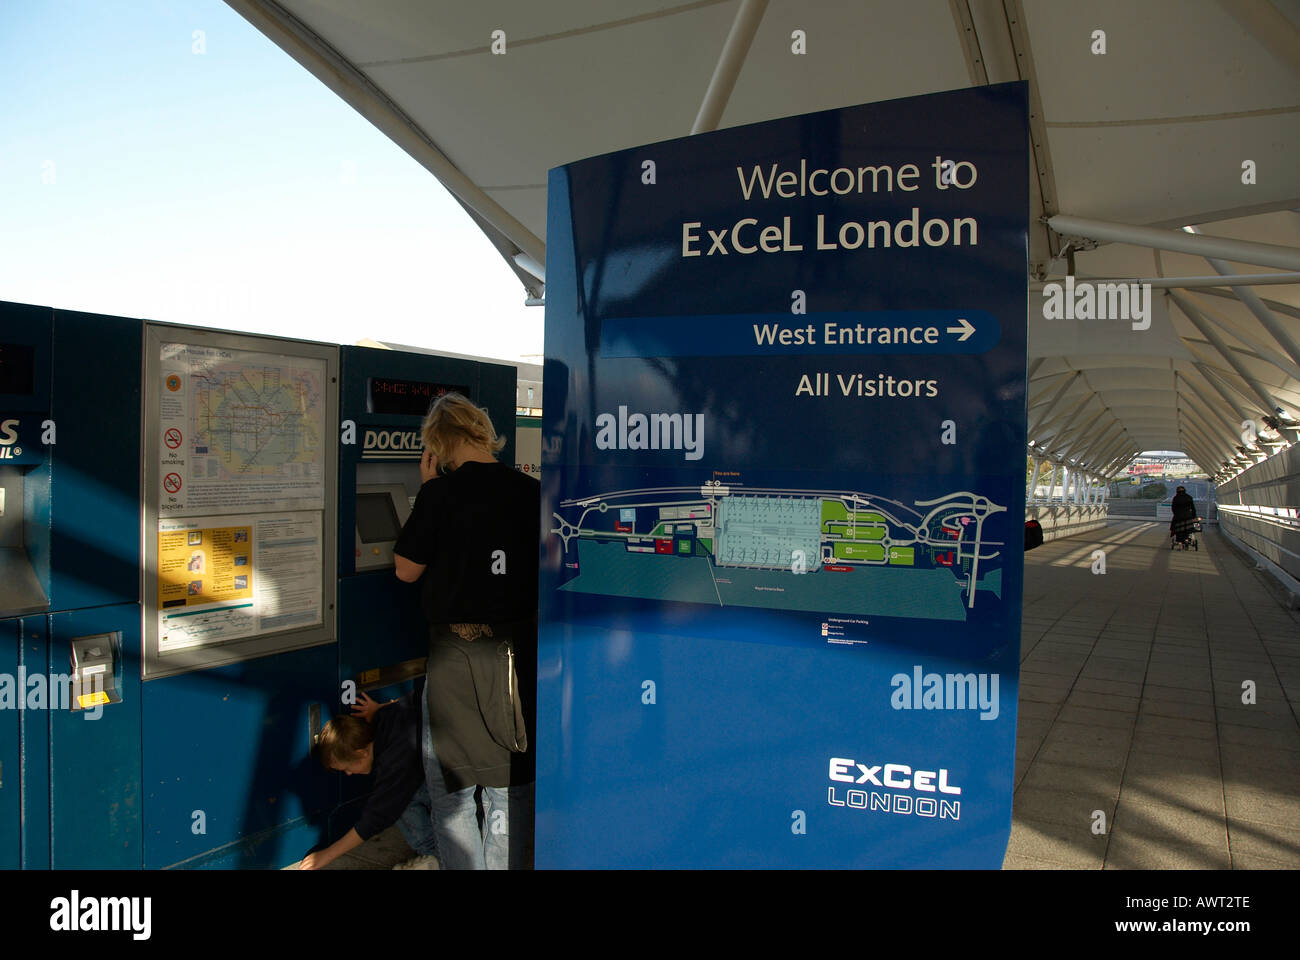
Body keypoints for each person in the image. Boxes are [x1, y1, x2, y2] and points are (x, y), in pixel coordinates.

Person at [392, 392, 540, 870]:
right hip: (515, 663)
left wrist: (428, 488)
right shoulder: (530, 490)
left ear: (435, 446)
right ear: (482, 431)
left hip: (456, 661)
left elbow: (406, 570)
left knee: (452, 796)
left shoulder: (438, 494)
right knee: (509, 792)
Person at [306, 689, 439, 870]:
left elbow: (374, 819)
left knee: (394, 802)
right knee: (396, 800)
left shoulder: (393, 763)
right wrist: (380, 708)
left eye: (346, 768)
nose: (349, 774)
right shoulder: (386, 717)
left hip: (452, 779)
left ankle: (437, 858)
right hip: (452, 769)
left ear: (361, 753)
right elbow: (419, 696)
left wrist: (326, 855)